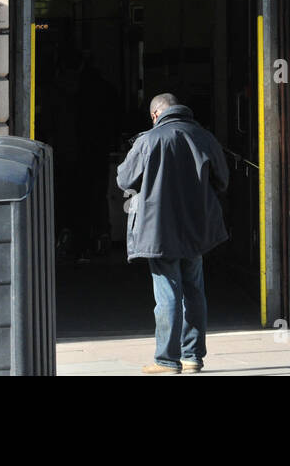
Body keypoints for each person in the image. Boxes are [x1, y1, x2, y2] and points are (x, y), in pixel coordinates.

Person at [116, 93, 229, 374]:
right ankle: (192, 357)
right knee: (194, 290)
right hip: (195, 227)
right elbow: (223, 181)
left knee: (167, 294)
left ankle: (167, 360)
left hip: (159, 230)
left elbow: (124, 179)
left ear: (156, 114)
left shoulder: (149, 140)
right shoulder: (204, 137)